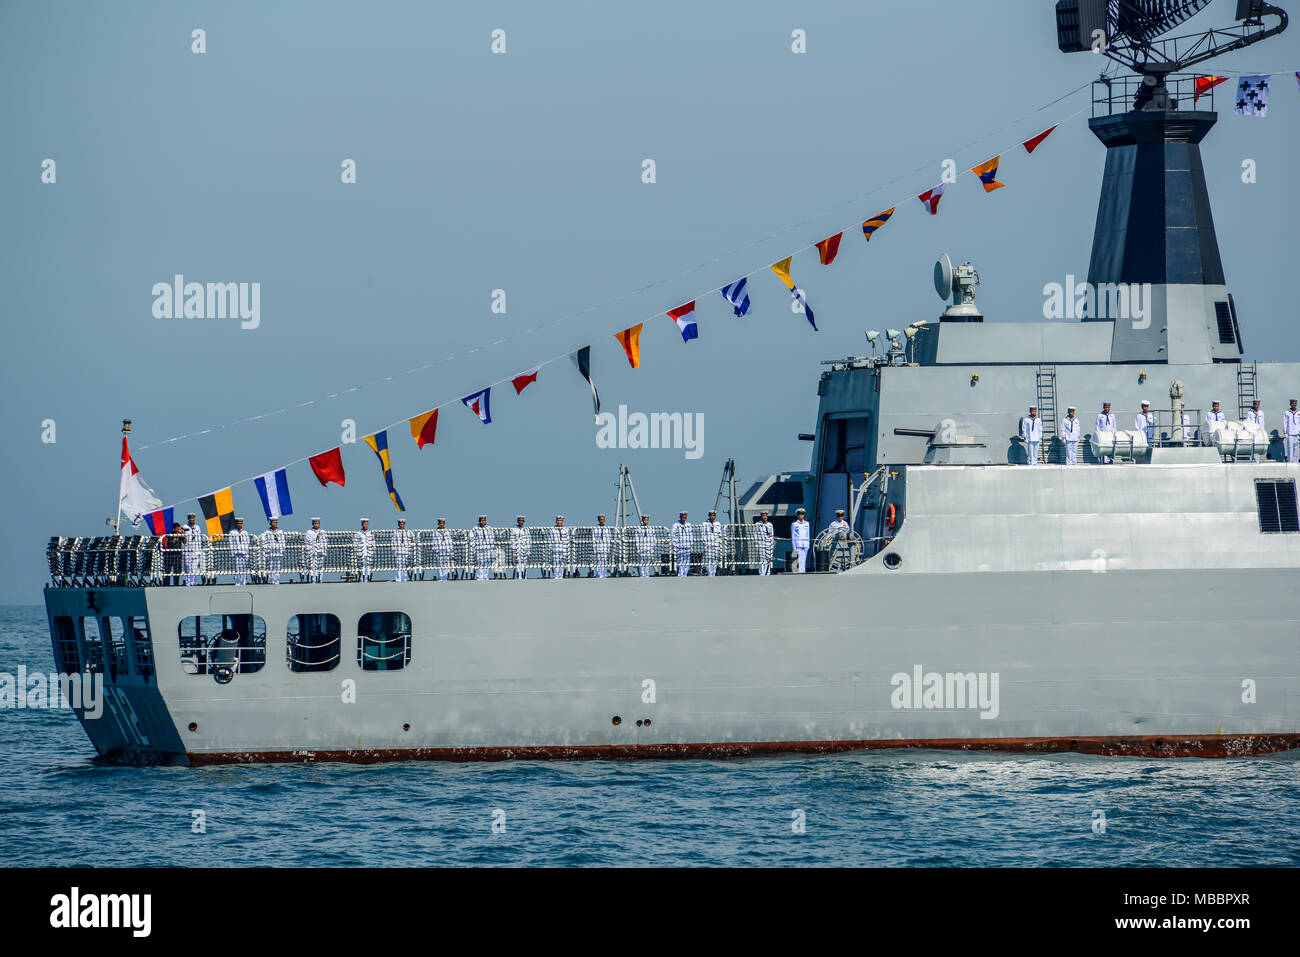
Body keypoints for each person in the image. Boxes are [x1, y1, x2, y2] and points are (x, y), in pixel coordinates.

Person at [261, 517, 286, 585]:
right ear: (270, 523)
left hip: (278, 553)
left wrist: (282, 552)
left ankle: (277, 581)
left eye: (276, 522)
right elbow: (264, 542)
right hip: (271, 553)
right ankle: (271, 581)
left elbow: (283, 542)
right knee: (271, 567)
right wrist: (267, 552)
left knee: (277, 567)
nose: (275, 524)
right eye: (273, 522)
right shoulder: (267, 532)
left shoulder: (280, 532)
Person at [182, 513, 205, 586]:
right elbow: (183, 540)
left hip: (196, 550)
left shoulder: (197, 527)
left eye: (193, 518)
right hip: (188, 550)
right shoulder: (184, 527)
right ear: (188, 519)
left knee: (195, 568)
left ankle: (194, 582)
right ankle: (188, 583)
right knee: (188, 567)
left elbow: (199, 539)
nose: (192, 520)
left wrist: (200, 550)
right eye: (190, 518)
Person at [228, 517, 251, 585]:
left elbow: (247, 543)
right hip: (236, 553)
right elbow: (231, 543)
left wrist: (247, 553)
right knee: (237, 569)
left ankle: (243, 582)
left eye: (241, 523)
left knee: (244, 568)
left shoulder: (245, 532)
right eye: (238, 523)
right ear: (236, 523)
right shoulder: (232, 532)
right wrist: (232, 554)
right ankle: (238, 582)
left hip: (244, 553)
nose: (240, 524)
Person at [304, 517, 327, 583]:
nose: (316, 524)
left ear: (319, 524)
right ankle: (313, 580)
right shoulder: (309, 532)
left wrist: (324, 551)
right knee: (312, 567)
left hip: (321, 553)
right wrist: (309, 552)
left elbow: (325, 542)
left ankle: (320, 580)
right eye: (314, 523)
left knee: (321, 567)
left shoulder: (323, 532)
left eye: (317, 523)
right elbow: (307, 543)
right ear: (312, 524)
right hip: (313, 553)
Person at [471, 515, 493, 580]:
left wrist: (491, 548)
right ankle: (479, 577)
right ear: (479, 521)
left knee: (486, 563)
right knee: (479, 562)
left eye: (484, 520)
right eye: (481, 520)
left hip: (487, 549)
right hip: (479, 548)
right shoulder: (475, 529)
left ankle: (485, 576)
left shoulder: (489, 528)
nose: (482, 522)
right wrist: (473, 548)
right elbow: (472, 538)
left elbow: (492, 538)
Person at [702, 510, 723, 576]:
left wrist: (719, 543)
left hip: (716, 544)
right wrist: (705, 544)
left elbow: (720, 534)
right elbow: (703, 534)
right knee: (709, 559)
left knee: (715, 560)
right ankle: (709, 573)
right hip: (708, 544)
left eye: (714, 515)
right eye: (711, 515)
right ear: (709, 516)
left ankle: (713, 573)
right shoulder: (705, 524)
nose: (713, 517)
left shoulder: (718, 523)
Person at [548, 515, 570, 580]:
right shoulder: (552, 530)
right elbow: (550, 541)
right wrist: (551, 550)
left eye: (560, 520)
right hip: (555, 550)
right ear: (556, 521)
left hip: (563, 550)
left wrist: (566, 550)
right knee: (555, 564)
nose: (559, 522)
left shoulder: (565, 530)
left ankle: (561, 577)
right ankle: (556, 577)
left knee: (562, 564)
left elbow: (567, 540)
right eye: (558, 520)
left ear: (562, 521)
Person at [671, 511, 692, 577]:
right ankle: (680, 575)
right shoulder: (675, 525)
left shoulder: (688, 525)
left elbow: (691, 535)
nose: (684, 518)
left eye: (685, 517)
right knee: (680, 561)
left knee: (687, 562)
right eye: (683, 517)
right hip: (679, 545)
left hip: (687, 545)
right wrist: (673, 544)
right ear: (680, 517)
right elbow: (673, 535)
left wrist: (691, 544)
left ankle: (685, 574)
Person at [592, 514, 613, 579]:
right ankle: (599, 575)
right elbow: (594, 539)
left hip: (605, 548)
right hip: (598, 548)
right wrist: (594, 548)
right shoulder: (595, 529)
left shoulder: (607, 529)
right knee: (599, 562)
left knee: (604, 562)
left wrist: (608, 548)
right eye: (601, 519)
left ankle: (604, 575)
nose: (602, 521)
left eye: (603, 519)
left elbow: (609, 539)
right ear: (598, 520)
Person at [754, 510, 775, 576]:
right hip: (760, 544)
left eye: (766, 515)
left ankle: (767, 572)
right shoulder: (757, 524)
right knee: (761, 558)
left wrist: (772, 544)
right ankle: (762, 573)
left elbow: (772, 535)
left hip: (768, 544)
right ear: (761, 516)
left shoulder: (770, 525)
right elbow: (755, 534)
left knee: (768, 558)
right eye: (763, 515)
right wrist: (756, 544)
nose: (765, 517)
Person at [164, 521, 185, 585]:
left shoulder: (180, 535)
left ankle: (176, 584)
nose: (179, 530)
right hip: (170, 556)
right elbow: (173, 541)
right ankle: (166, 584)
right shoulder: (170, 534)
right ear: (174, 529)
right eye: (177, 529)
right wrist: (177, 535)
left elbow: (185, 542)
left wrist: (183, 535)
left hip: (178, 555)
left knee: (177, 571)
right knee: (168, 571)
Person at [791, 508, 810, 573]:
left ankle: (803, 571)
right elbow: (793, 536)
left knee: (804, 559)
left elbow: (808, 535)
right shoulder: (794, 524)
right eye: (799, 514)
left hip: (805, 544)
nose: (801, 516)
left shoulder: (807, 523)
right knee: (799, 559)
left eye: (802, 514)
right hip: (798, 544)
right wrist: (794, 547)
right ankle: (800, 571)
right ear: (797, 515)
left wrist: (808, 545)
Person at [511, 515, 529, 580]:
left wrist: (528, 550)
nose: (521, 522)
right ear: (517, 521)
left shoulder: (526, 530)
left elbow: (528, 540)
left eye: (522, 520)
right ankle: (518, 578)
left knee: (524, 565)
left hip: (524, 550)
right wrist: (514, 550)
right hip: (517, 550)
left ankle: (525, 578)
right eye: (520, 520)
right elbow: (512, 540)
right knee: (518, 565)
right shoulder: (514, 529)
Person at [1284, 399, 1300, 463]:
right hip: (1290, 433)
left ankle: (1296, 462)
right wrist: (1285, 432)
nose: (1294, 405)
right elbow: (1285, 422)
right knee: (1290, 449)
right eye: (1293, 403)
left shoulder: (1299, 412)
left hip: (1297, 433)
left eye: (1295, 403)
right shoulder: (1287, 412)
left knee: (1296, 449)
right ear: (1290, 404)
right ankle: (1290, 462)